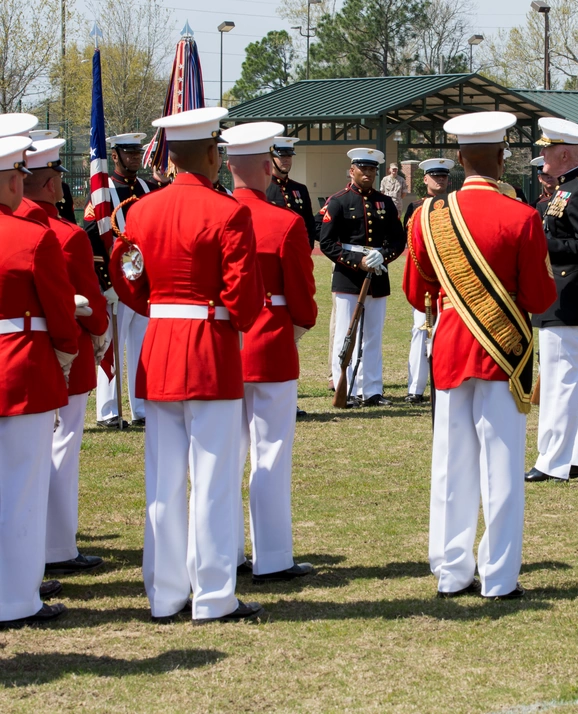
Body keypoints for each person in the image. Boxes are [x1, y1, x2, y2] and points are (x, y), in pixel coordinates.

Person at [109, 106, 265, 623]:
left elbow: (129, 280)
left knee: (163, 481)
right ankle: (214, 595)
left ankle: (166, 593)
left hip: (160, 348)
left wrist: (161, 307)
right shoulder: (228, 212)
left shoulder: (142, 211)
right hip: (209, 350)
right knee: (215, 478)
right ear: (212, 155)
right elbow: (244, 300)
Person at [404, 111, 556, 599]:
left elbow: (415, 289)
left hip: (449, 347)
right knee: (502, 464)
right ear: (501, 156)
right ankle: (498, 576)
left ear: (458, 158)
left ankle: (452, 570)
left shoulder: (427, 216)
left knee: (451, 464)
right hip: (503, 353)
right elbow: (539, 297)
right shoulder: (523, 216)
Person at [221, 122, 319, 584]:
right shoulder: (285, 222)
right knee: (271, 452)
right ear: (266, 167)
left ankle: (225, 549)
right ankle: (273, 555)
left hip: (222, 346)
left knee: (223, 455)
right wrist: (298, 325)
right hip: (272, 343)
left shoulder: (216, 214)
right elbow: (302, 295)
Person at [0, 131, 79, 629]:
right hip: (22, 365)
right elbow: (62, 320)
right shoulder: (35, 237)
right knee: (23, 486)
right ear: (13, 182)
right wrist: (67, 353)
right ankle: (17, 599)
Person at [22, 137, 110, 576]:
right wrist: (100, 333)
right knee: (62, 449)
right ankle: (56, 545)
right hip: (66, 357)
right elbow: (91, 304)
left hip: (20, 358)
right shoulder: (67, 236)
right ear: (51, 182)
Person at [525, 117, 578, 483]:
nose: (541, 155)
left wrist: (540, 246)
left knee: (560, 381)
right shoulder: (565, 189)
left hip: (568, 296)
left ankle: (552, 460)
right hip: (559, 297)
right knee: (575, 381)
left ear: (562, 154)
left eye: (546, 149)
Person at [320, 148, 406, 407]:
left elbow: (398, 239)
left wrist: (385, 256)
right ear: (352, 171)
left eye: (371, 169)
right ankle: (346, 389)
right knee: (345, 335)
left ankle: (371, 390)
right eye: (363, 169)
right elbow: (327, 242)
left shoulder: (385, 202)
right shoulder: (338, 201)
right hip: (348, 276)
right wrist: (357, 261)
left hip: (378, 275)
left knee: (373, 335)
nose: (367, 173)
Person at [84, 132, 152, 429]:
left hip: (142, 281)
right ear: (115, 156)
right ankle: (108, 410)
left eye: (138, 152)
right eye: (129, 153)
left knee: (142, 346)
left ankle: (140, 407)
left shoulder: (147, 187)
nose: (135, 157)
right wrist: (107, 282)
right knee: (112, 346)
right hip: (115, 282)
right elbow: (91, 236)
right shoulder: (104, 190)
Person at [402, 158, 453, 404]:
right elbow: (412, 245)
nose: (439, 180)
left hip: (449, 277)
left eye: (443, 176)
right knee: (420, 331)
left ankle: (445, 381)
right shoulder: (415, 208)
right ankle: (415, 388)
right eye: (434, 176)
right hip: (425, 277)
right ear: (425, 179)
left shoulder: (454, 206)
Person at [266, 136, 319, 250]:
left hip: (296, 251)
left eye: (289, 156)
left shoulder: (300, 189)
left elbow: (309, 224)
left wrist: (306, 251)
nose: (286, 160)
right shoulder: (262, 187)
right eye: (281, 156)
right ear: (270, 158)